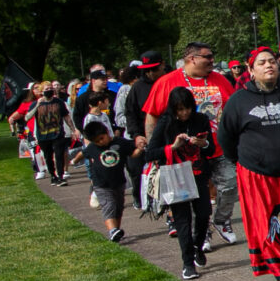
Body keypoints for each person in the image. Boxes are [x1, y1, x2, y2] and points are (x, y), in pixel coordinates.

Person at [219, 47, 280, 281]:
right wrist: (246, 161)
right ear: (251, 69)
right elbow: (226, 138)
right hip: (258, 177)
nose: (269, 65)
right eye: (262, 62)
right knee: (271, 228)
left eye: (272, 61)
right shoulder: (238, 101)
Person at [143, 41, 239, 245]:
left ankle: (221, 220)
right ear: (192, 58)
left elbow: (233, 110)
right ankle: (202, 235)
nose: (212, 60)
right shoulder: (167, 82)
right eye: (208, 57)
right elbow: (152, 116)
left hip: (218, 147)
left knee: (230, 184)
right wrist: (156, 149)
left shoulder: (220, 79)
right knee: (194, 196)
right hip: (185, 154)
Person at [146, 86, 217, 280]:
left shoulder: (200, 119)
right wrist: (173, 146)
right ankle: (188, 263)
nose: (184, 113)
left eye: (187, 108)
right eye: (180, 109)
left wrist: (204, 144)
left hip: (198, 174)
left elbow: (211, 149)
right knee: (182, 220)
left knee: (203, 214)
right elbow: (150, 153)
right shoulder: (166, 122)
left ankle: (197, 246)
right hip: (176, 177)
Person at [122, 52, 165, 209]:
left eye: (154, 69)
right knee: (137, 169)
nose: (150, 73)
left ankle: (165, 205)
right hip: (143, 136)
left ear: (162, 65)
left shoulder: (168, 82)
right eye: (147, 70)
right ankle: (140, 197)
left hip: (166, 135)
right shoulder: (138, 87)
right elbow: (130, 113)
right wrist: (136, 135)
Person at [80, 121, 130, 242]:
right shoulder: (93, 147)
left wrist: (140, 148)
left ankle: (116, 231)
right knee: (109, 205)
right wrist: (74, 161)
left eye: (102, 138)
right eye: (97, 141)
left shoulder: (119, 142)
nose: (101, 142)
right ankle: (112, 230)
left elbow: (132, 149)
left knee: (118, 207)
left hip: (118, 182)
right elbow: (83, 153)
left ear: (107, 132)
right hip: (101, 184)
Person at [31, 82, 78, 186]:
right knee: (48, 157)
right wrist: (37, 105)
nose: (49, 90)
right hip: (43, 135)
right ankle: (53, 176)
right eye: (46, 89)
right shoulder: (36, 104)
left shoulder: (59, 102)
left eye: (50, 88)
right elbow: (27, 117)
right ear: (42, 91)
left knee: (59, 155)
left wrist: (73, 130)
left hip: (58, 133)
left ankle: (60, 176)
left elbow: (66, 116)